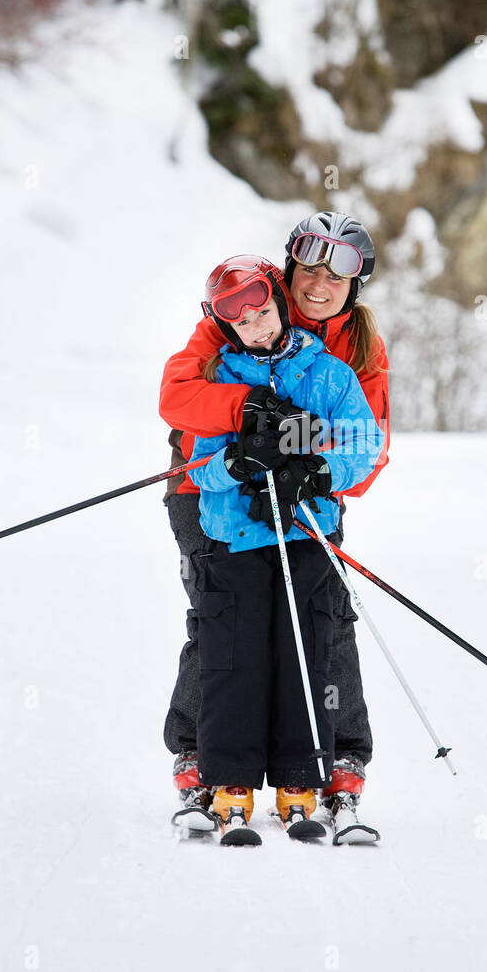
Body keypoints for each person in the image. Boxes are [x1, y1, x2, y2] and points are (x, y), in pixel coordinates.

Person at [159, 212, 389, 820]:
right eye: (309, 270)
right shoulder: (241, 308)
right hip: (208, 496)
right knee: (220, 620)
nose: (320, 285)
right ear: (287, 275)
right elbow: (178, 398)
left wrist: (315, 469)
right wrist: (248, 420)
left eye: (336, 277)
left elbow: (368, 442)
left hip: (305, 503)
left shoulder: (354, 351)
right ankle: (201, 752)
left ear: (355, 285)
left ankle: (331, 753)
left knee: (322, 622)